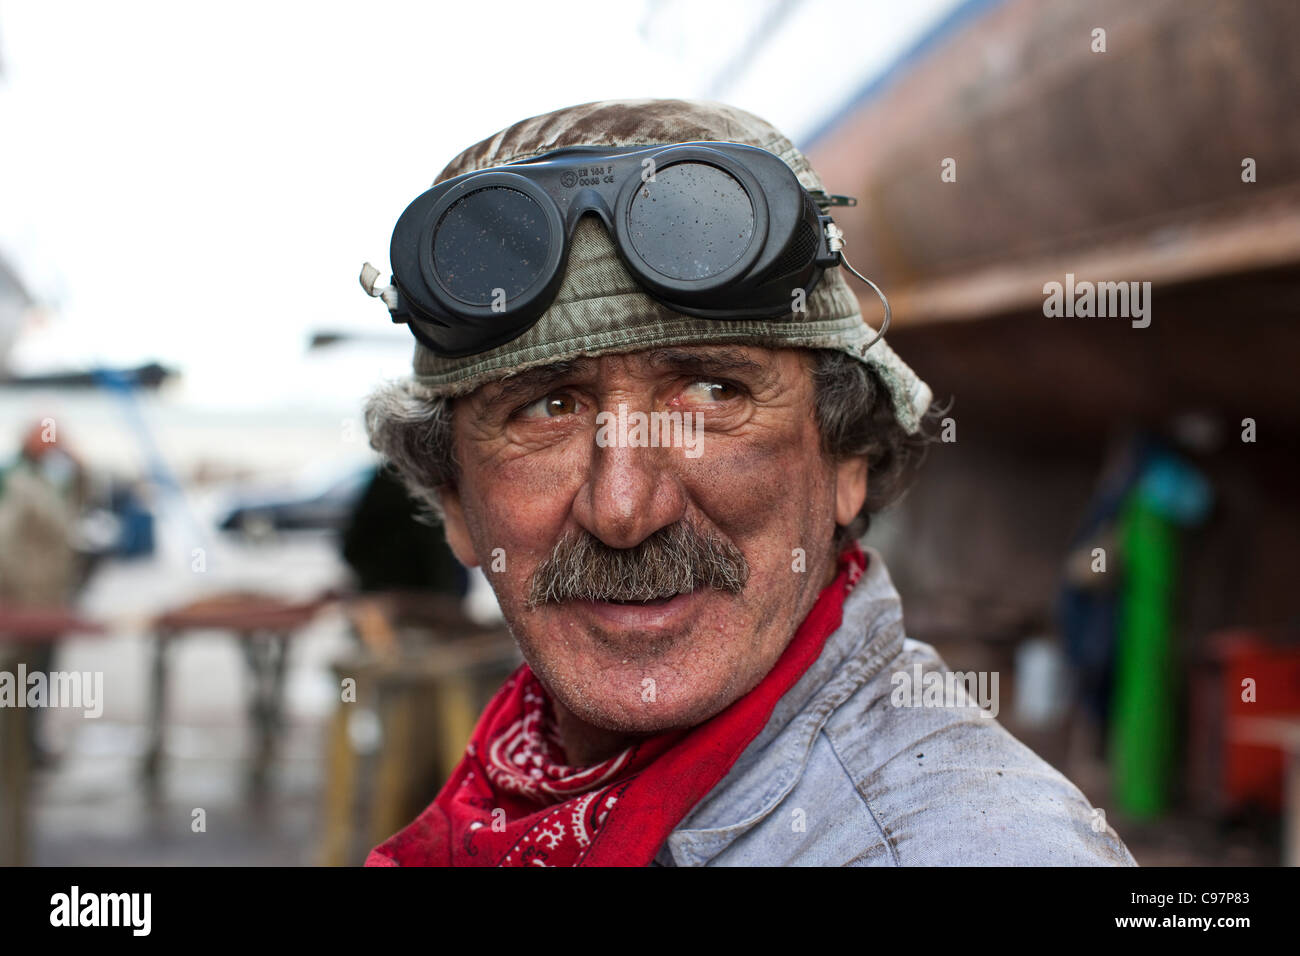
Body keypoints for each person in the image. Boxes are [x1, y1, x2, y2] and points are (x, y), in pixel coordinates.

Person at [358, 99, 1135, 866]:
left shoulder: (968, 849)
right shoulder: (523, 788)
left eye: (712, 393)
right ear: (456, 503)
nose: (624, 508)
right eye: (548, 408)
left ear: (846, 461)